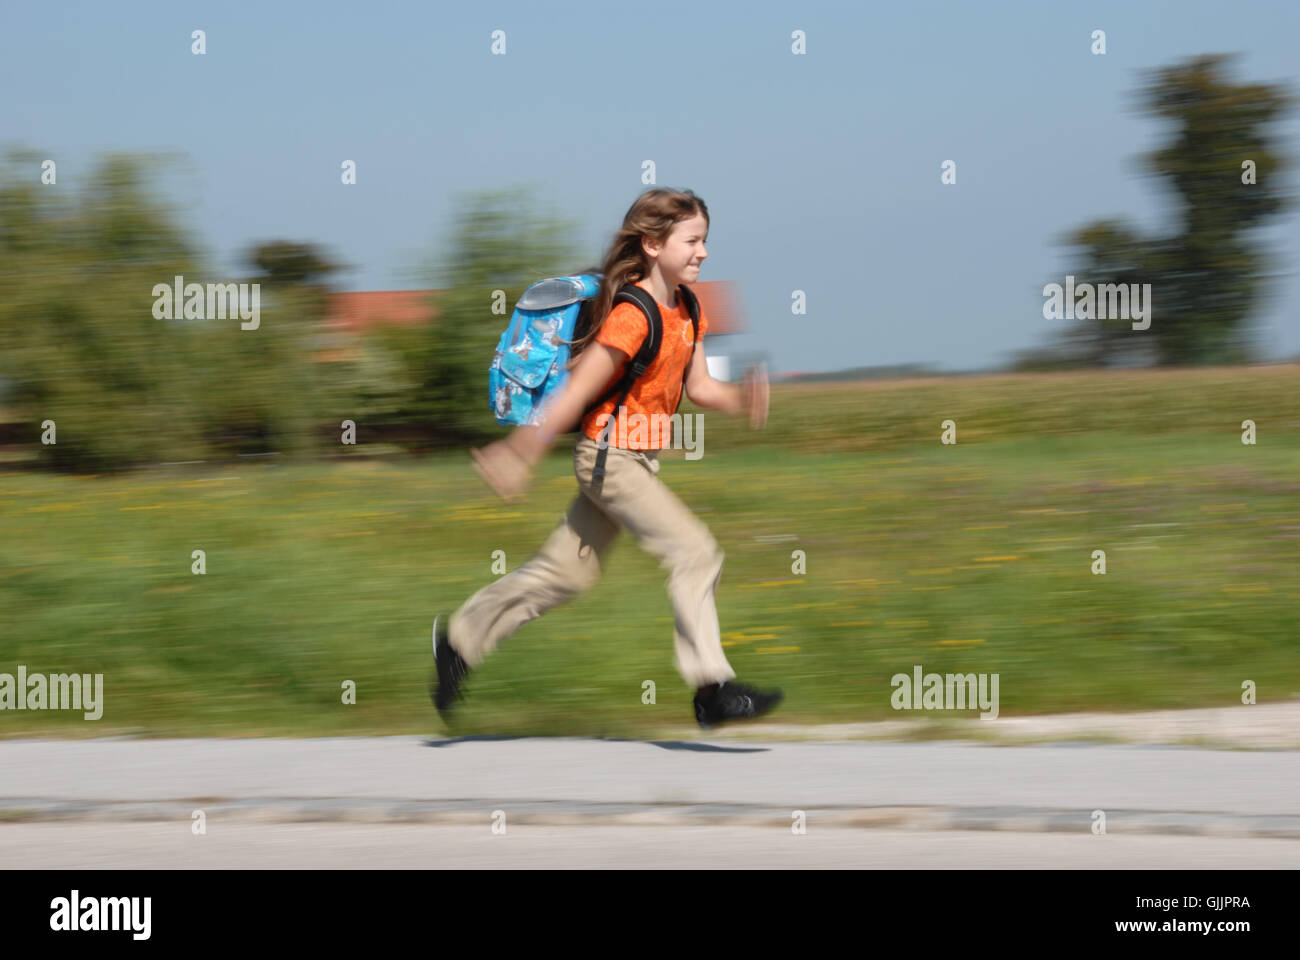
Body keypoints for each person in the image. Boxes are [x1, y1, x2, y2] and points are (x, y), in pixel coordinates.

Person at [431, 187, 782, 729]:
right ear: (652, 244)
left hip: (637, 461)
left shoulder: (688, 308)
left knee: (566, 575)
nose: (703, 252)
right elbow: (573, 393)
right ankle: (711, 688)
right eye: (692, 240)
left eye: (705, 240)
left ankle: (459, 641)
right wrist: (520, 451)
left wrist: (742, 398)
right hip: (609, 459)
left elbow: (701, 386)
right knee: (695, 552)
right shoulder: (632, 315)